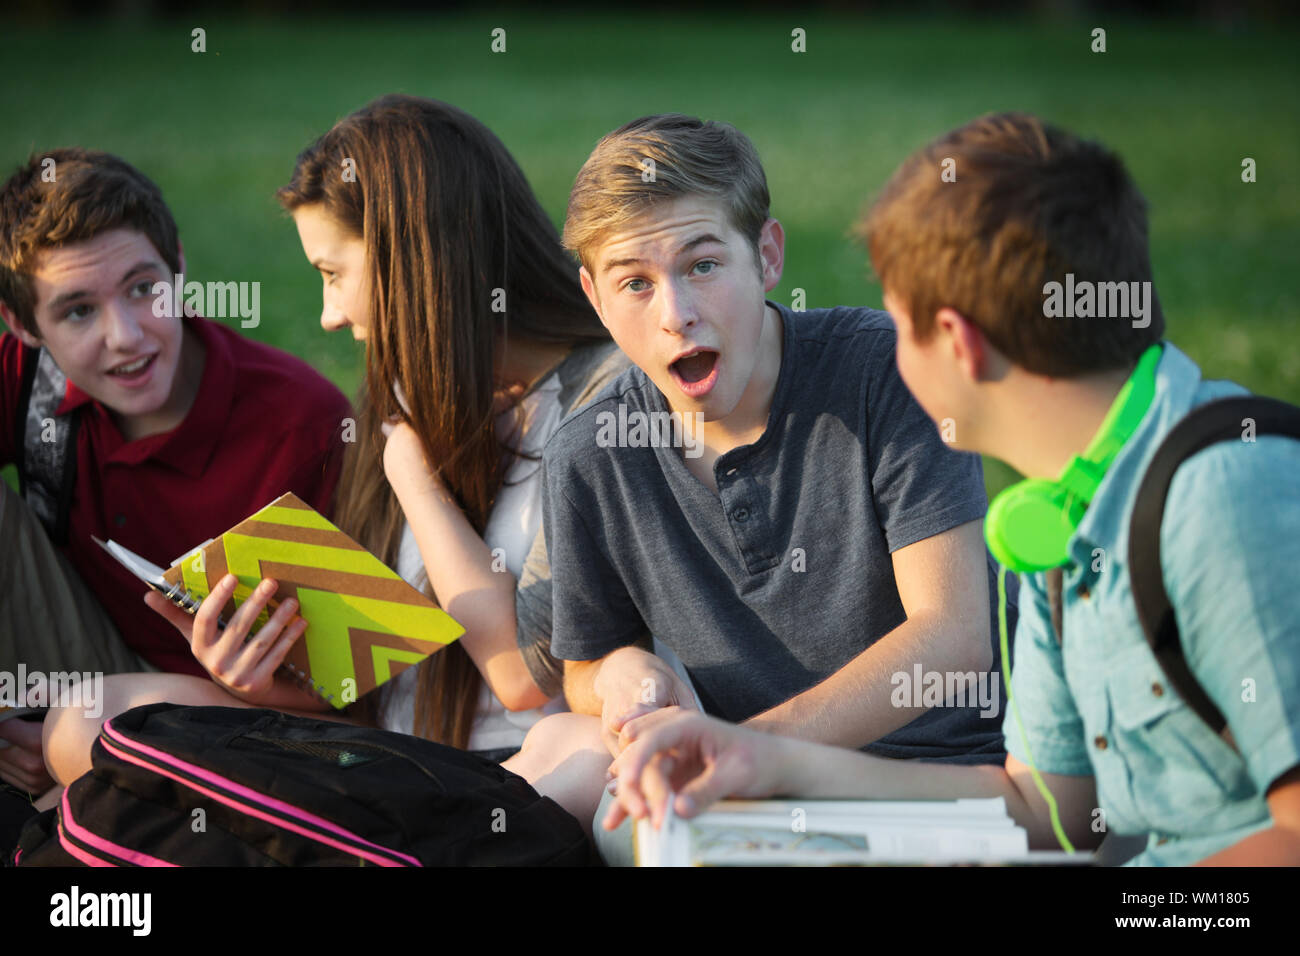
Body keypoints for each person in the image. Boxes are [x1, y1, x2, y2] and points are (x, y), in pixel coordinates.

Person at [605, 113, 1300, 867]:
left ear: (959, 342)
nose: (889, 358)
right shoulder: (1056, 518)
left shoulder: (1224, 497)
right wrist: (767, 759)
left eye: (900, 328)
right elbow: (1048, 812)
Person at [40, 97, 622, 829]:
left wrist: (411, 471)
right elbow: (382, 686)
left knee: (584, 750)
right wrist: (259, 680)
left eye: (332, 272)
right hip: (384, 755)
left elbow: (520, 676)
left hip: (517, 773)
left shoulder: (598, 400)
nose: (328, 314)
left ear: (417, 260)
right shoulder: (414, 385)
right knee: (85, 719)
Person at [539, 112, 1016, 798]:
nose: (675, 312)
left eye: (703, 265)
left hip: (947, 779)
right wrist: (621, 676)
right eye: (635, 283)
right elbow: (583, 665)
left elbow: (954, 635)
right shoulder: (588, 455)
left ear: (767, 255)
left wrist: (749, 749)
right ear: (595, 300)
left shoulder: (884, 372)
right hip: (744, 792)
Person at [0, 149, 350, 797]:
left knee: (94, 732)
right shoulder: (27, 381)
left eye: (143, 288)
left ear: (179, 264)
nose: (126, 335)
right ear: (22, 327)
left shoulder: (304, 423)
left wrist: (251, 682)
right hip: (82, 659)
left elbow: (352, 700)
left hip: (238, 714)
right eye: (78, 311)